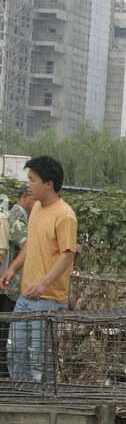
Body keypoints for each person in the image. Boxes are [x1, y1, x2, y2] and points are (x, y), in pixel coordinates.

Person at [0, 157, 78, 382]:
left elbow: (67, 254)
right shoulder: (36, 210)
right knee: (15, 352)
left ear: (48, 183)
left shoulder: (64, 215)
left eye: (32, 180)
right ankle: (22, 399)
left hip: (48, 298)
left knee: (39, 359)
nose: (28, 185)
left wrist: (43, 283)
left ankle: (42, 405)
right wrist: (13, 268)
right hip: (25, 295)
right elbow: (30, 247)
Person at [0, 185, 33, 379]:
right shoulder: (15, 218)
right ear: (25, 196)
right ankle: (3, 376)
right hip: (8, 287)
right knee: (4, 335)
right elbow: (30, 245)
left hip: (12, 286)